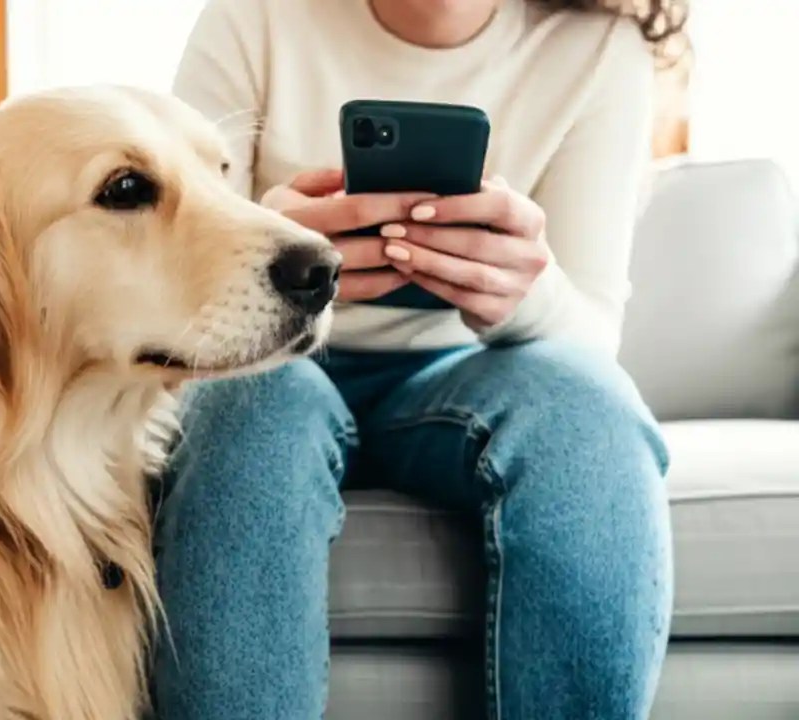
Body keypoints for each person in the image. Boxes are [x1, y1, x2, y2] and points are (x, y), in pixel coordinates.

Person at [152, 1, 687, 718]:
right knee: (249, 412)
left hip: (470, 372)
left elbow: (591, 334)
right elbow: (173, 273)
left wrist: (525, 289)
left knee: (589, 415)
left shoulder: (599, 50)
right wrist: (269, 249)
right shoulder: (255, 17)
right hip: (275, 359)